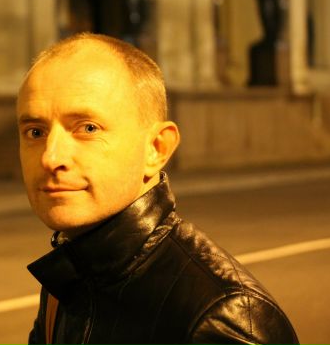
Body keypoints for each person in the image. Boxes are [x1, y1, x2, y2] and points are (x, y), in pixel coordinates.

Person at [17, 33, 299, 345]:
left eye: (88, 128)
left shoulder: (222, 319)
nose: (50, 157)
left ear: (156, 149)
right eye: (35, 132)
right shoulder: (70, 275)